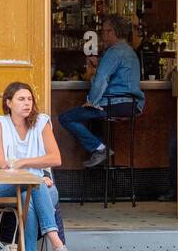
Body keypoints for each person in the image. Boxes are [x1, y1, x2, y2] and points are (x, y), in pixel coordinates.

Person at [0, 81, 78, 251]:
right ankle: (57, 244)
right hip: (6, 186)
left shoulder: (41, 122)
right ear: (8, 103)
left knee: (27, 195)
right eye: (21, 99)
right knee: (33, 184)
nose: (27, 103)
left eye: (29, 99)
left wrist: (24, 163)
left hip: (42, 189)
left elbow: (56, 158)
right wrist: (34, 175)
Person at [57, 14, 145, 168]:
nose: (102, 35)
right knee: (95, 122)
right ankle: (99, 156)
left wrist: (92, 101)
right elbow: (119, 75)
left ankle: (100, 149)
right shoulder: (129, 51)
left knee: (66, 118)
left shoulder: (114, 52)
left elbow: (101, 80)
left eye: (105, 31)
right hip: (131, 105)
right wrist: (100, 63)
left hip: (115, 103)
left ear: (113, 32)